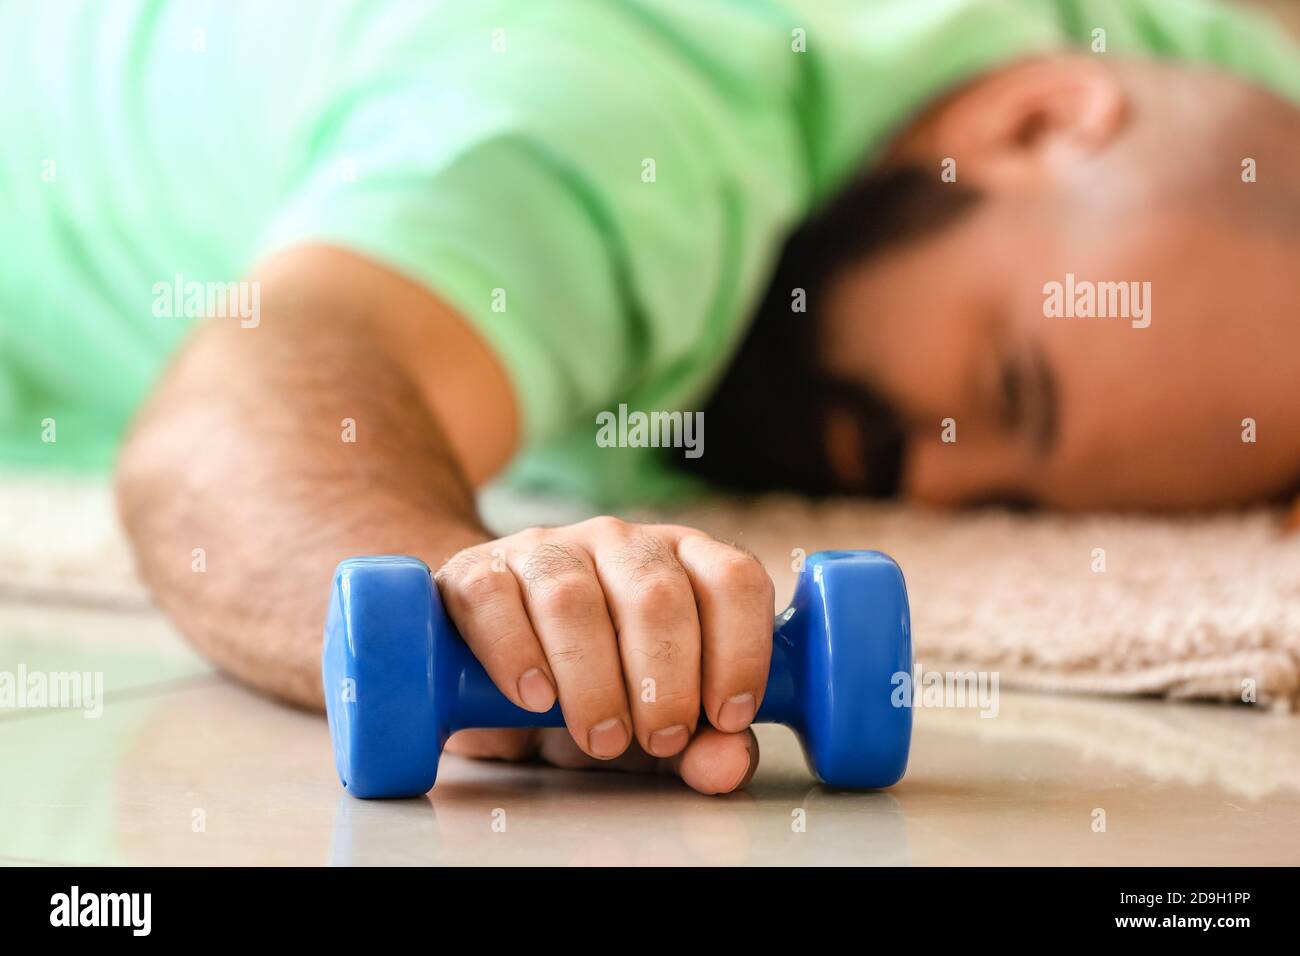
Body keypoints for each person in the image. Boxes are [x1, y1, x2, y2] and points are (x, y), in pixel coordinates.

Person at [6, 0, 1299, 794]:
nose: (938, 485)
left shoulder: (1186, 71)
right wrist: (500, 611)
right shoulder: (609, 128)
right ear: (1032, 124)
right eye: (1004, 390)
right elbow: (225, 425)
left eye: (1023, 501)